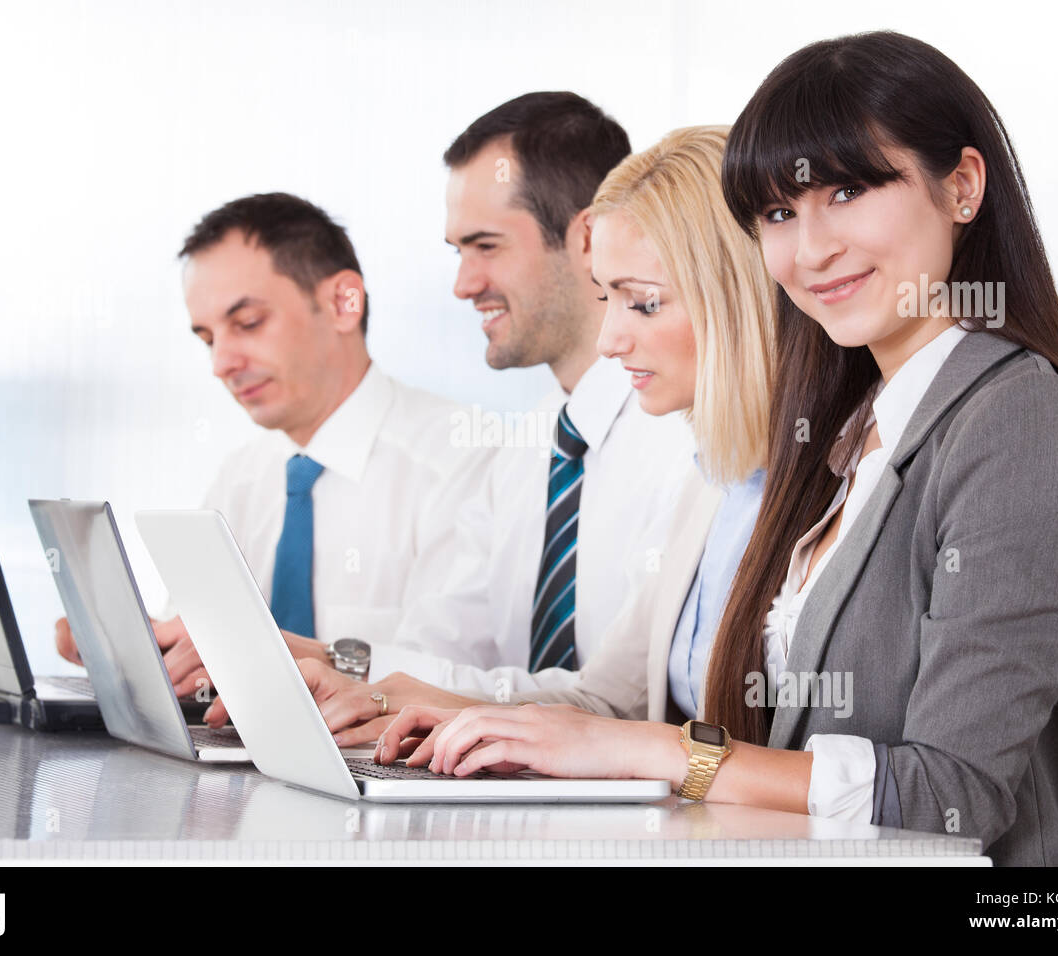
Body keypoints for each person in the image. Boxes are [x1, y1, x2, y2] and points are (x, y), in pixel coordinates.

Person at [372, 31, 1058, 867]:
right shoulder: (851, 436)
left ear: (961, 186)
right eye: (779, 213)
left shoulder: (1022, 420)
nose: (810, 250)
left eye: (848, 190)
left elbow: (952, 796)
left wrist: (655, 752)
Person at [306, 124, 775, 747]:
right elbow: (604, 699)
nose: (463, 284)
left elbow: (862, 770)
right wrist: (370, 682)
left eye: (487, 245)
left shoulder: (699, 457)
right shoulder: (701, 474)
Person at [55, 192, 489, 705]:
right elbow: (196, 651)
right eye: (207, 337)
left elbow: (462, 685)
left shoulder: (463, 462)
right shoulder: (243, 477)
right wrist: (141, 650)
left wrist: (313, 659)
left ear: (343, 303)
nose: (221, 362)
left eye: (248, 323)